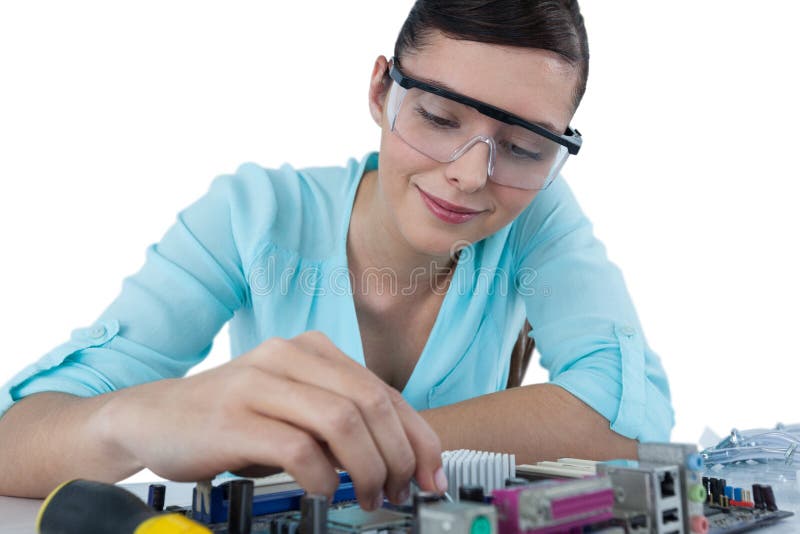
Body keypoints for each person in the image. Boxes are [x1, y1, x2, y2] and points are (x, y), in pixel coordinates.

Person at [0, 0, 673, 511]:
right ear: (381, 91)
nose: (471, 175)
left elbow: (632, 420)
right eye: (439, 118)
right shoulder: (251, 215)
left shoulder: (537, 216)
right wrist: (143, 421)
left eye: (525, 147)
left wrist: (339, 440)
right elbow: (15, 438)